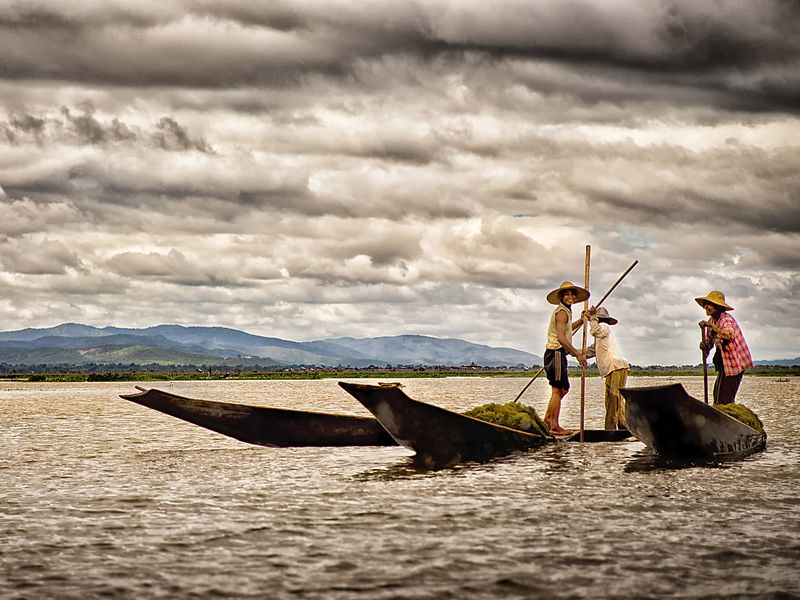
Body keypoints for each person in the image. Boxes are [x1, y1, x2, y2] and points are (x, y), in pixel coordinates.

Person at [543, 281, 589, 435]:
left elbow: (567, 329)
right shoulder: (561, 312)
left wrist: (582, 320)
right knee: (558, 390)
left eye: (572, 294)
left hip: (559, 353)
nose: (570, 297)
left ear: (575, 298)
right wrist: (577, 354)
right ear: (561, 297)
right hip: (555, 352)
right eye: (566, 294)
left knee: (564, 389)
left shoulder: (567, 312)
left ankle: (548, 420)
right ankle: (554, 426)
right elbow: (562, 338)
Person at [696, 290, 753, 405]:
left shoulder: (725, 319)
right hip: (724, 364)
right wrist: (704, 346)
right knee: (717, 394)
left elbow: (728, 334)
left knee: (724, 398)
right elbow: (709, 343)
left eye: (710, 304)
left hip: (735, 363)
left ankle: (727, 418)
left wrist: (711, 326)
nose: (706, 307)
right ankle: (717, 415)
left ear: (718, 307)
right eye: (705, 304)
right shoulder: (712, 320)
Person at [584, 306, 630, 430]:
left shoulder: (604, 327)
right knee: (615, 398)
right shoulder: (601, 336)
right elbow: (590, 351)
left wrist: (591, 318)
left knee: (613, 398)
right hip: (614, 368)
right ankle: (622, 424)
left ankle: (610, 428)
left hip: (615, 366)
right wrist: (575, 353)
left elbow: (595, 330)